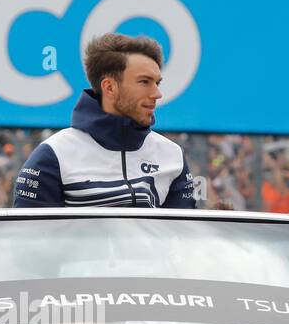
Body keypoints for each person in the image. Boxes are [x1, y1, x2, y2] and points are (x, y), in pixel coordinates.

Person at [12, 34, 194, 209]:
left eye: (157, 83)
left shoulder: (172, 155)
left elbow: (184, 238)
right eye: (144, 82)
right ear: (109, 87)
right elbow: (30, 238)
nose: (157, 94)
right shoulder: (53, 155)